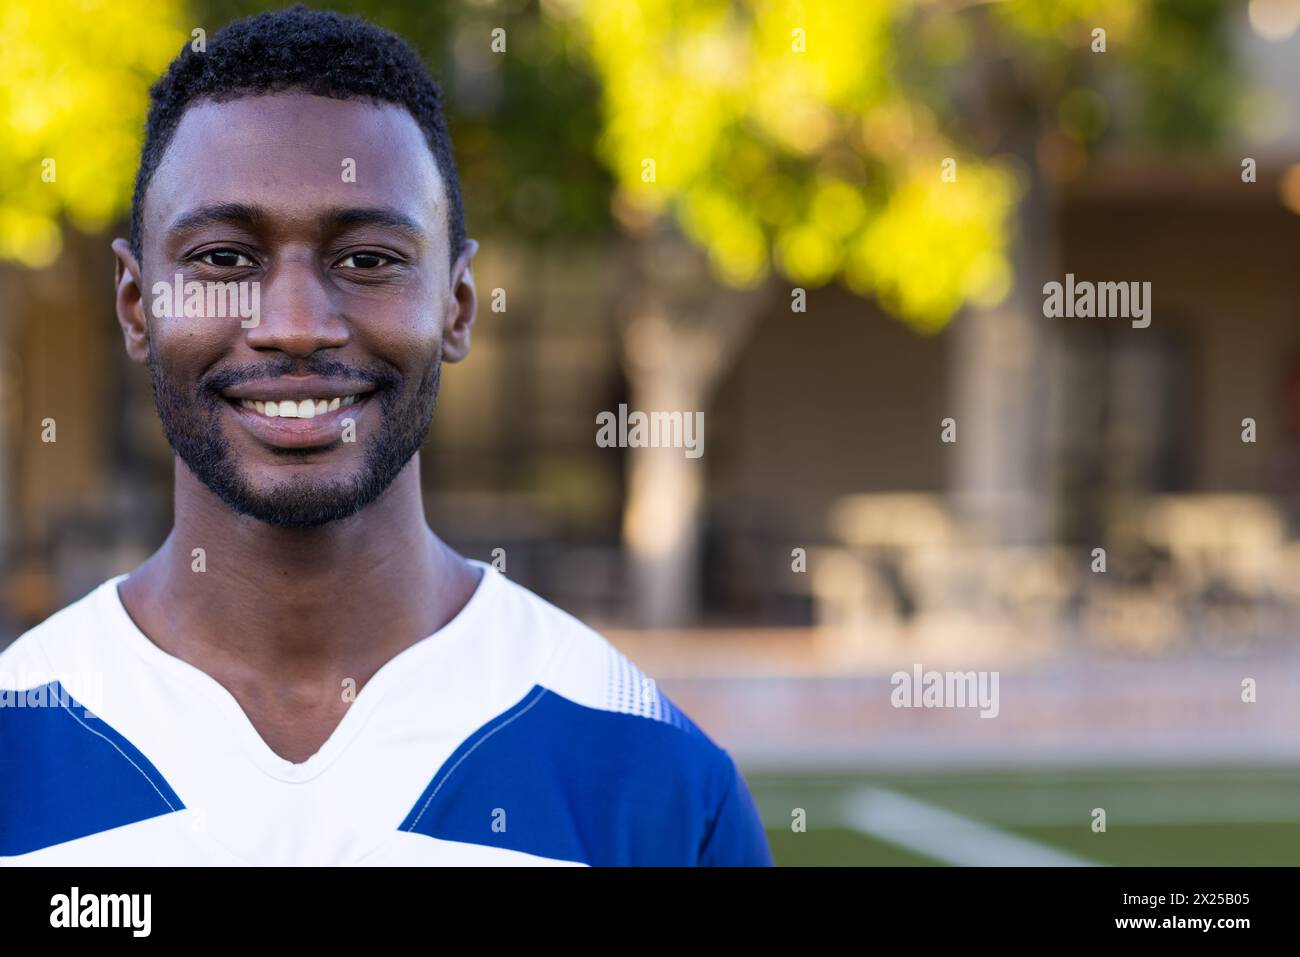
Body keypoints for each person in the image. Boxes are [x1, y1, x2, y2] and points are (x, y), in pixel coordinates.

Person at [0, 6, 772, 867]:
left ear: (457, 304)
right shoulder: (17, 742)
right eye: (224, 259)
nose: (293, 325)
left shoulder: (652, 781)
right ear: (137, 305)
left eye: (367, 260)